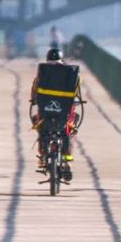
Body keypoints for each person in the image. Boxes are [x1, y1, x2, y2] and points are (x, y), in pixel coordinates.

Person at [29, 46, 83, 182]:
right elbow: (76, 88)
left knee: (39, 124)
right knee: (70, 129)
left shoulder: (42, 73)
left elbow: (35, 90)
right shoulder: (69, 73)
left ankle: (42, 156)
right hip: (63, 116)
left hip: (46, 115)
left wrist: (34, 99)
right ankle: (67, 160)